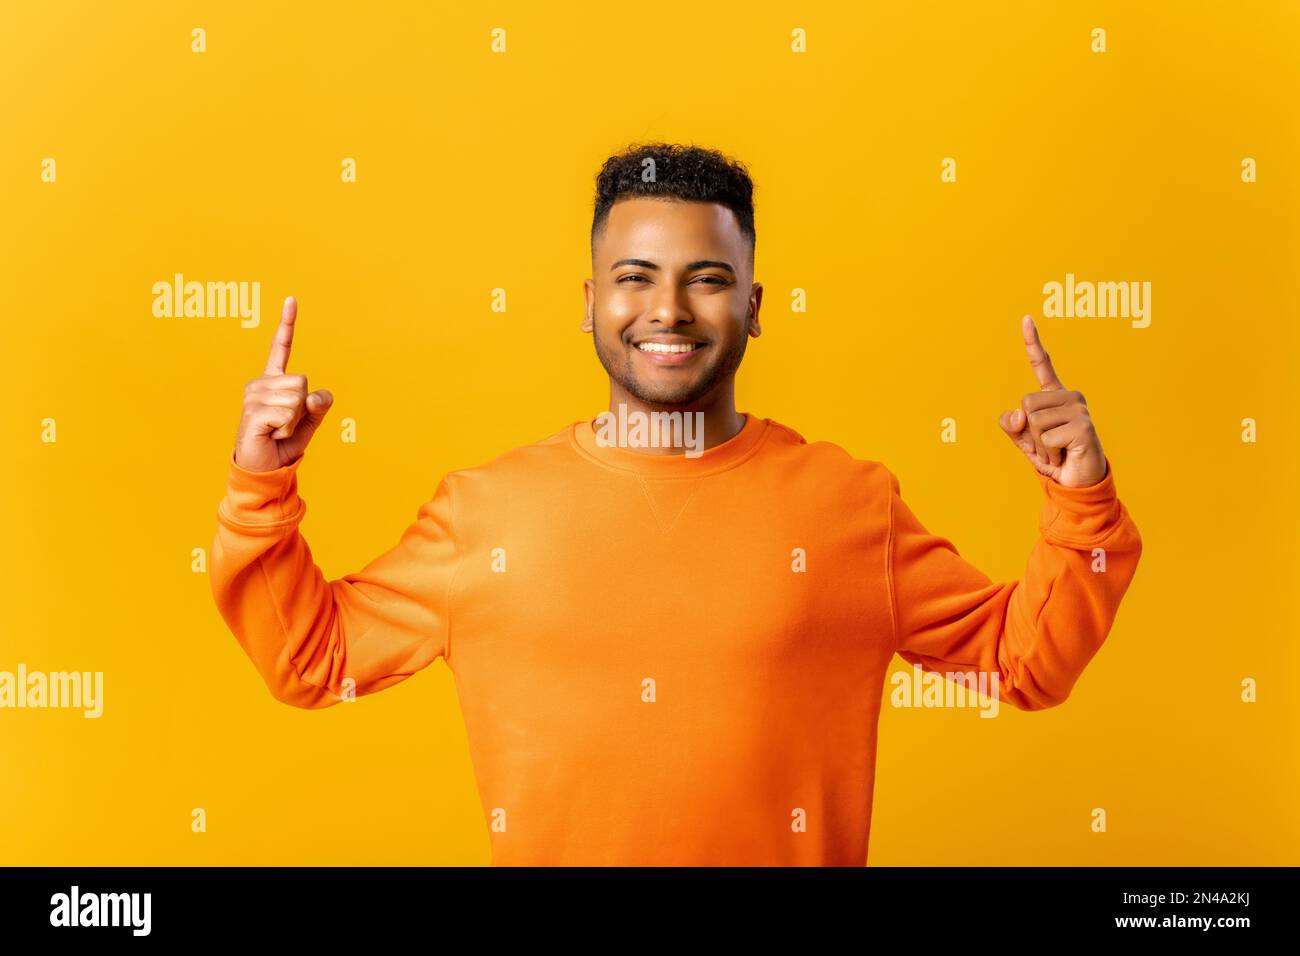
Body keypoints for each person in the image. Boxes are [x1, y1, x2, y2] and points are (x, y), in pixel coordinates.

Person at [209, 142, 1143, 866]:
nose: (670, 310)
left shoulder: (847, 506)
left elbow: (1024, 665)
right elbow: (312, 661)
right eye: (635, 277)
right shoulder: (485, 514)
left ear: (754, 303)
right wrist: (262, 484)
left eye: (706, 278)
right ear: (588, 304)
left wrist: (1079, 502)